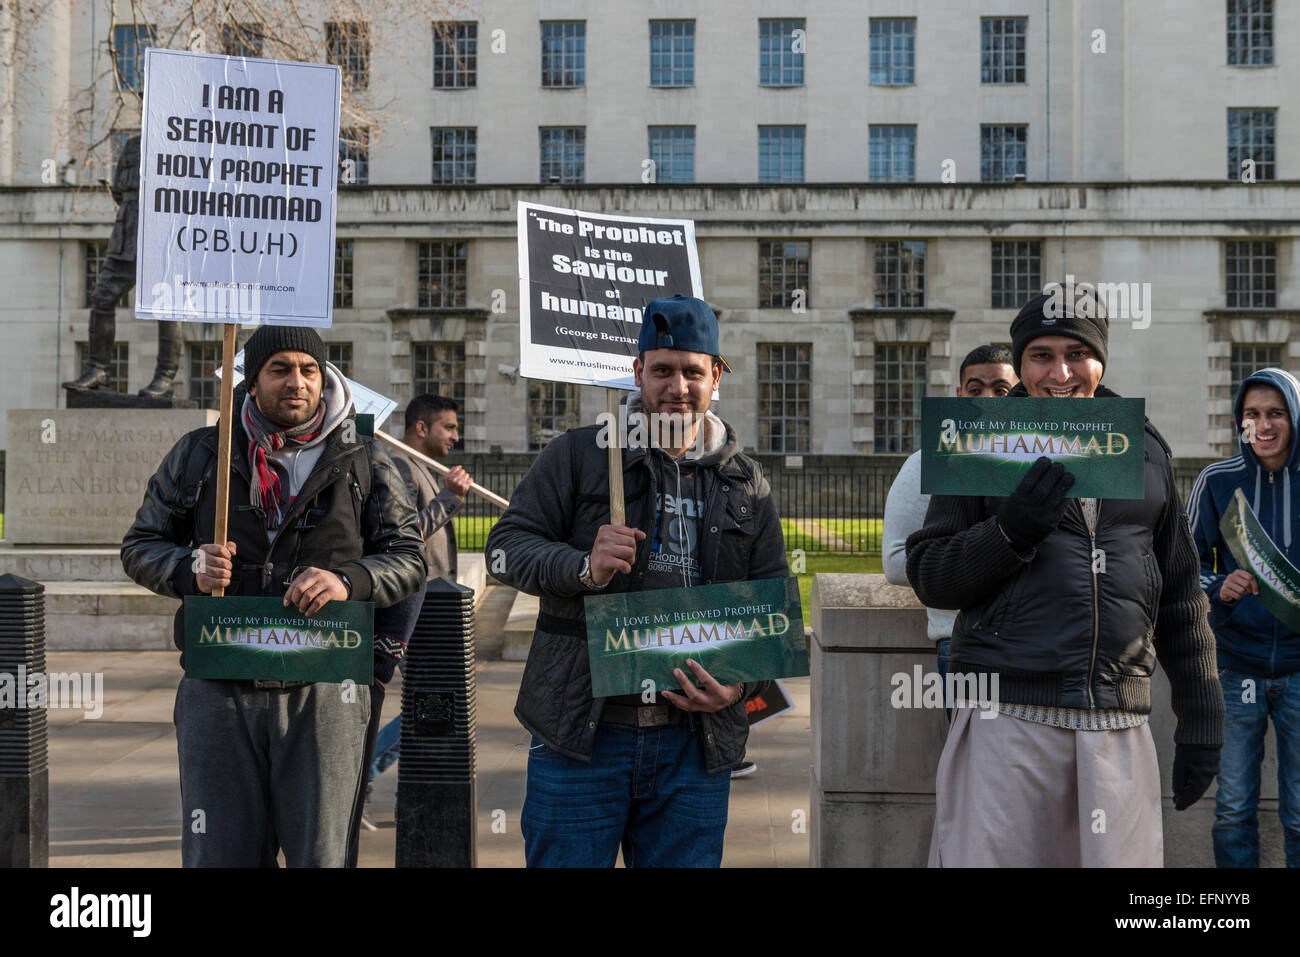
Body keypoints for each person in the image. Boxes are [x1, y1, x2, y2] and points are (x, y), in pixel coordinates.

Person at [906, 290, 1223, 867]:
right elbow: (932, 575)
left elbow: (1179, 593)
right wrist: (1009, 533)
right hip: (1009, 719)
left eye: (1077, 353)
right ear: (1021, 365)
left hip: (1116, 722)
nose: (1060, 373)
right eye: (1041, 355)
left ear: (1101, 361)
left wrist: (1202, 716)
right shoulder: (980, 438)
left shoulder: (1146, 446)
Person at [485, 294, 789, 868]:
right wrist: (583, 565)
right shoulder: (579, 455)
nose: (677, 386)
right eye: (662, 370)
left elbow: (770, 602)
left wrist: (741, 689)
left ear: (716, 376)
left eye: (693, 372)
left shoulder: (746, 481)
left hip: (693, 747)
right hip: (583, 735)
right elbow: (504, 551)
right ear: (637, 372)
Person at [121, 324, 426, 867]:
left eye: (309, 370)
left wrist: (349, 580)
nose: (298, 383)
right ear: (252, 380)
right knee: (219, 854)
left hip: (325, 687)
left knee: (322, 856)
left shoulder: (365, 456)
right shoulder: (202, 452)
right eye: (280, 369)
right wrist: (188, 566)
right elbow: (141, 545)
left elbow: (408, 557)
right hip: (219, 687)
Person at [1187, 367, 1300, 868]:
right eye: (1252, 414)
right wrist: (1217, 584)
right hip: (1236, 668)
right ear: (1240, 421)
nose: (1264, 425)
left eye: (1276, 413)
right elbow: (1183, 563)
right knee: (1232, 810)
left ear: (1295, 418)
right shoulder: (1217, 480)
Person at [356, 395, 474, 834]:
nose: (456, 436)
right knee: (434, 703)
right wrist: (449, 499)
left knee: (436, 703)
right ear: (421, 428)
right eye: (449, 427)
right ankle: (360, 775)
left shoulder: (423, 467)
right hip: (408, 605)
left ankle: (364, 778)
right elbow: (403, 536)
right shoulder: (399, 467)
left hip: (430, 604)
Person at [883, 344, 1017, 715]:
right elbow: (895, 562)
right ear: (960, 396)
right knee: (976, 769)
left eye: (1001, 390)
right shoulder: (927, 462)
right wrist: (992, 557)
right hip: (961, 641)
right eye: (975, 390)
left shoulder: (1045, 457)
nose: (987, 400)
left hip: (1039, 642)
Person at [63, 134, 184, 398]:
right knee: (102, 297)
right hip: (126, 233)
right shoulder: (132, 144)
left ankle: (164, 378)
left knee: (167, 308)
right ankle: (97, 370)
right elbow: (119, 190)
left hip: (163, 234)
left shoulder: (180, 141)